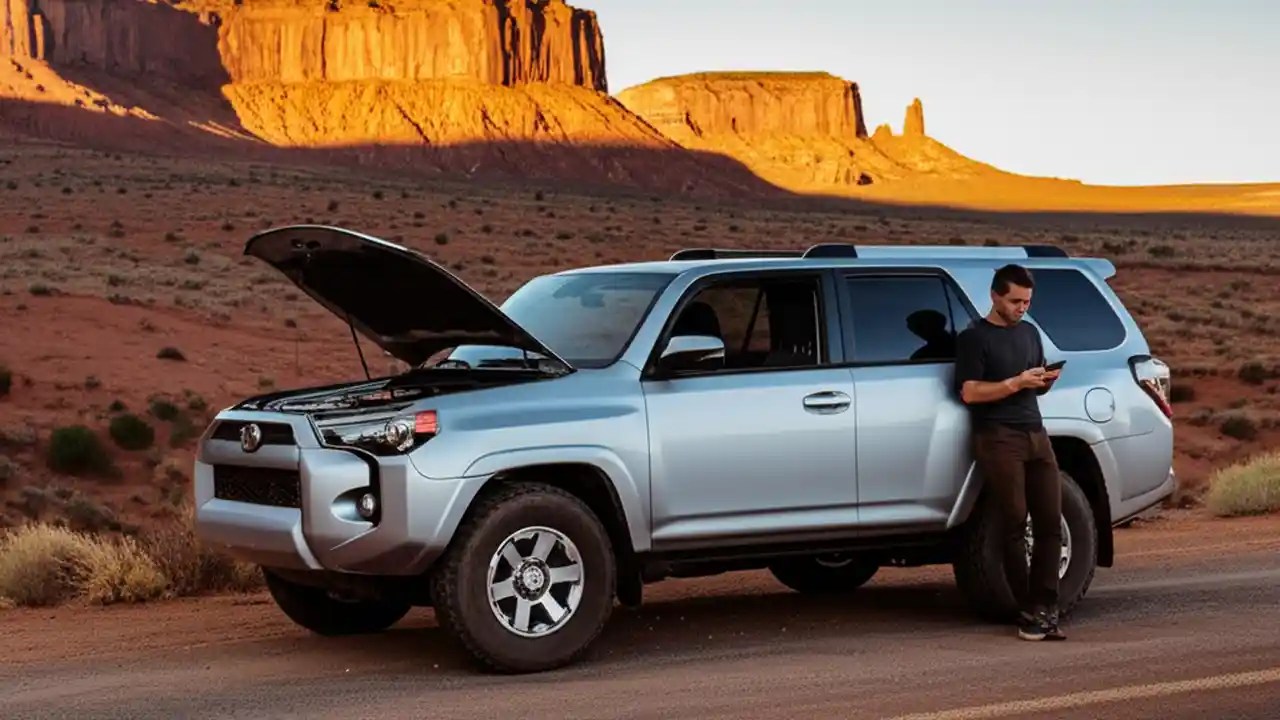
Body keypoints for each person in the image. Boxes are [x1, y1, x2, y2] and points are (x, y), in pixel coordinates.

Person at [953, 263, 1065, 642]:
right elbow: (970, 392)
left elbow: (1031, 382)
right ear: (995, 296)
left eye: (1027, 302)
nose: (1022, 308)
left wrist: (1043, 381)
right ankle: (1027, 609)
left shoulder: (1030, 333)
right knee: (1014, 522)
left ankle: (1047, 605)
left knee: (1050, 522)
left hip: (1036, 433)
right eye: (1015, 301)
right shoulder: (974, 338)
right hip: (998, 437)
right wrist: (1016, 382)